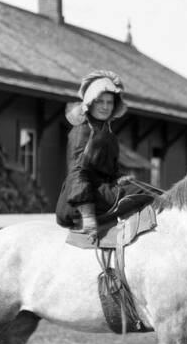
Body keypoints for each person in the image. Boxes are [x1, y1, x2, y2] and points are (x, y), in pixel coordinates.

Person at [54, 70, 139, 238]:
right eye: (100, 101)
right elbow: (77, 174)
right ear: (89, 103)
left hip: (101, 193)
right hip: (80, 200)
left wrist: (120, 177)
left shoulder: (109, 135)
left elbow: (111, 171)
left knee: (149, 191)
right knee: (146, 195)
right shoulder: (82, 132)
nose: (105, 106)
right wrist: (87, 214)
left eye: (109, 102)